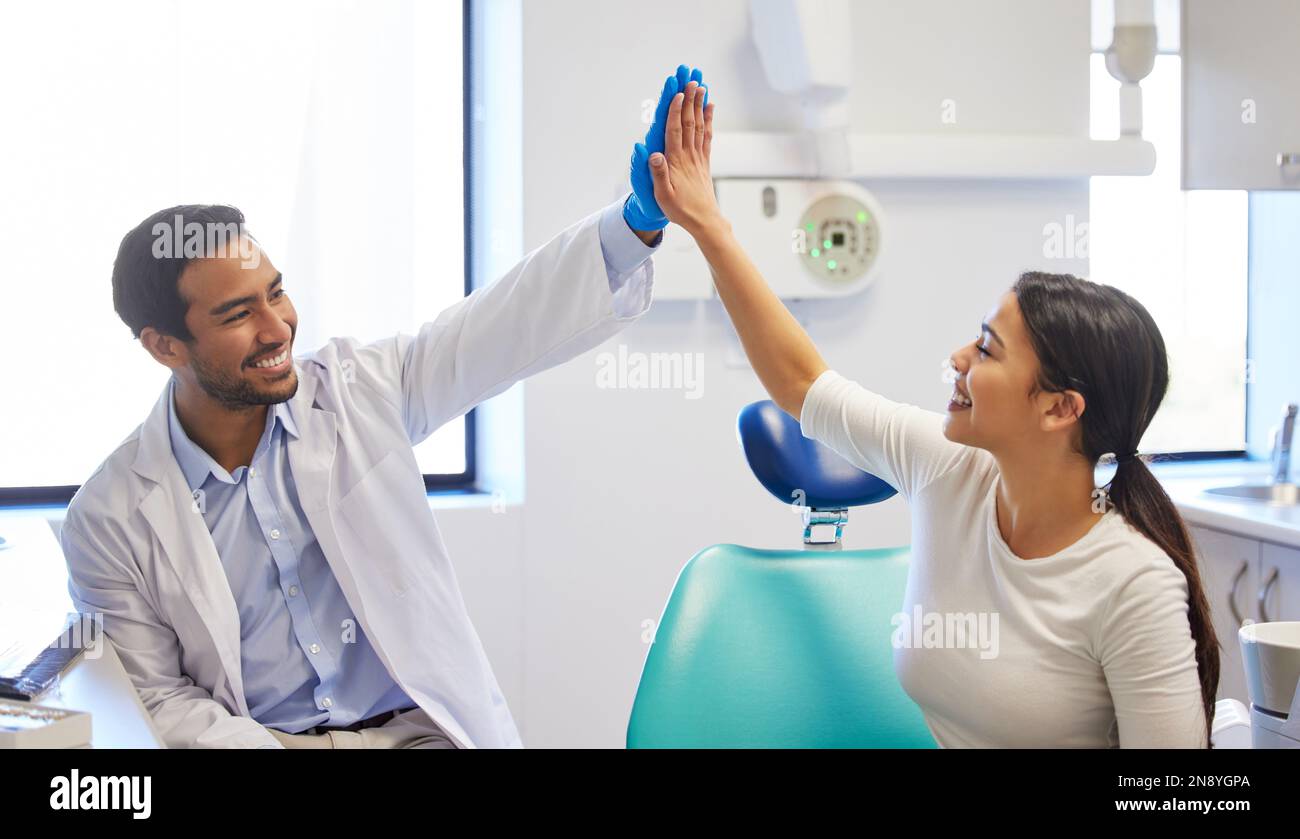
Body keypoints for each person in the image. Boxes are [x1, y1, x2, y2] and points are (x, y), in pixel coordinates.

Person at [60, 65, 707, 749]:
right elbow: (158, 699)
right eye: (238, 313)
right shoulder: (106, 519)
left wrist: (633, 227)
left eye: (276, 292)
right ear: (165, 346)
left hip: (420, 735)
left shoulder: (357, 387)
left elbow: (502, 325)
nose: (278, 327)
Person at [648, 80, 1219, 747]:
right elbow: (801, 382)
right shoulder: (950, 468)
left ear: (1061, 408)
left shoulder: (1133, 584)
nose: (957, 358)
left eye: (987, 349)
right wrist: (707, 226)